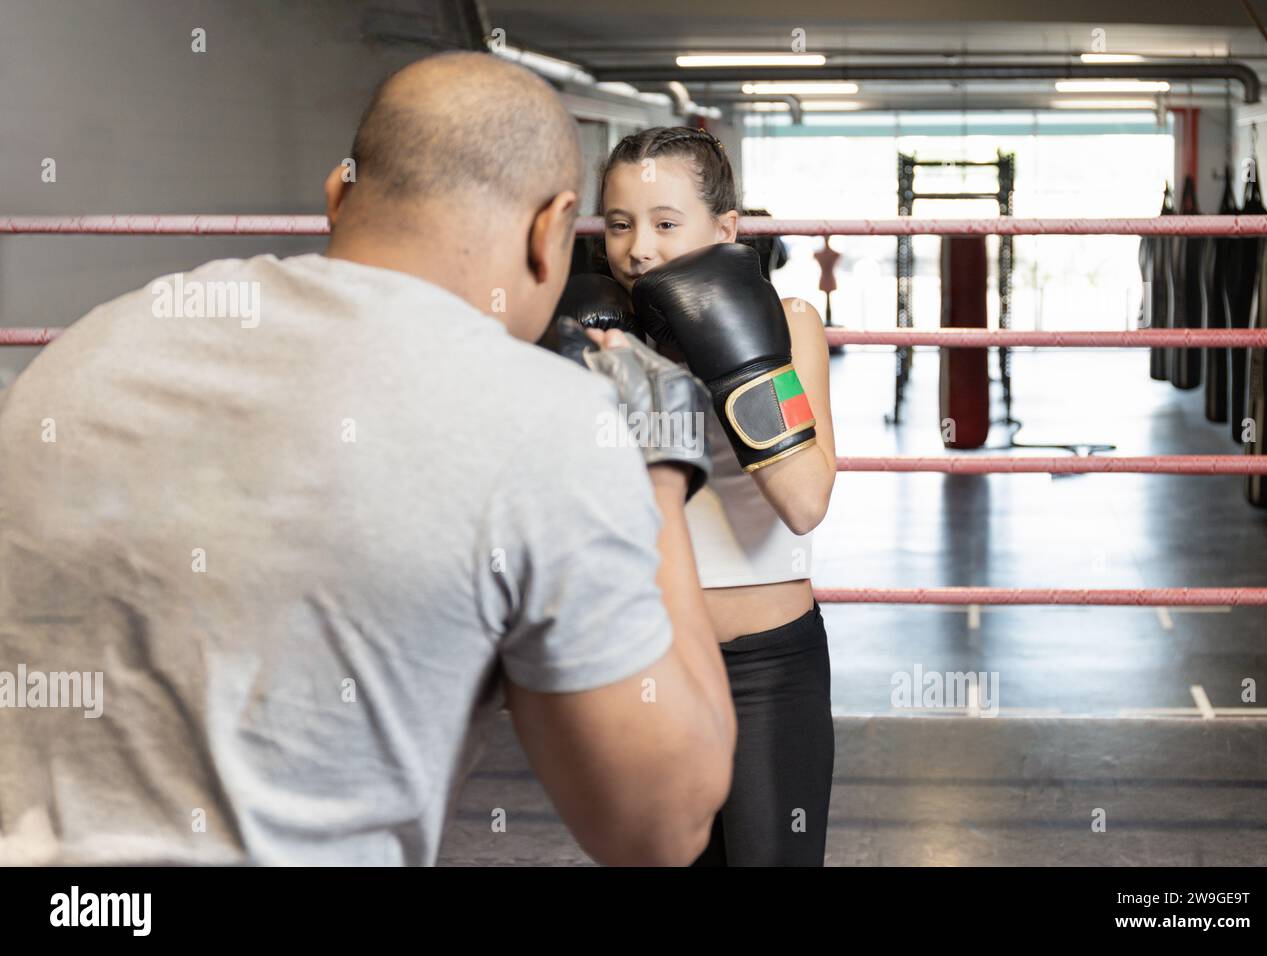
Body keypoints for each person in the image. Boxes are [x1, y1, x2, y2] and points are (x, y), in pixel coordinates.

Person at [0, 53, 735, 867]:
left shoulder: (86, 350)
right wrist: (659, 472)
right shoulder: (537, 418)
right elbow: (660, 826)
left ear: (338, 195)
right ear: (550, 230)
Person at [596, 126, 838, 865]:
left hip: (769, 666)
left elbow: (804, 501)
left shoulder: (789, 324)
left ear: (726, 228)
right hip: (646, 663)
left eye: (666, 224)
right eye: (619, 224)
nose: (639, 248)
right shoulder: (597, 337)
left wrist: (732, 354)